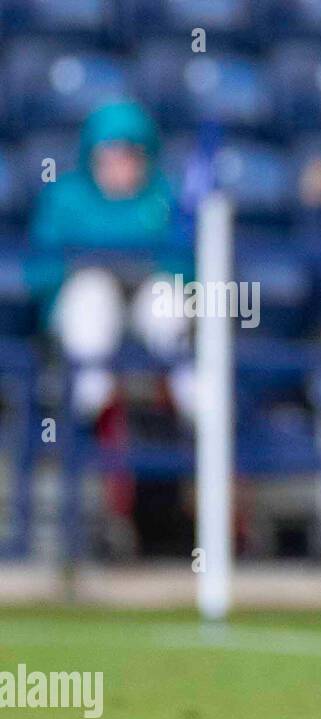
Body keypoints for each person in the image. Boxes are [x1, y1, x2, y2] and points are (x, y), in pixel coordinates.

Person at [27, 100, 192, 556]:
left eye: (131, 154)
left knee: (168, 298)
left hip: (148, 320)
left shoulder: (166, 196)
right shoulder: (64, 198)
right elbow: (38, 274)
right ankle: (87, 401)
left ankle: (189, 391)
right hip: (87, 320)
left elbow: (187, 268)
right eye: (111, 154)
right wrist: (92, 267)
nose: (121, 165)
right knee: (92, 294)